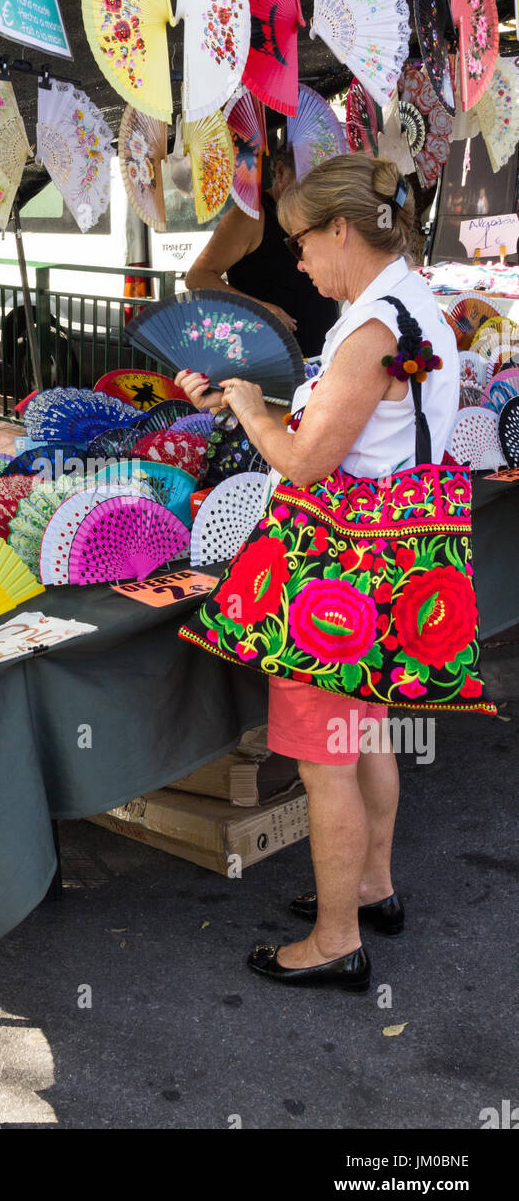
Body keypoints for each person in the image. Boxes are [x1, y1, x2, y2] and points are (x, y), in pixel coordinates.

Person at [176, 153, 459, 992]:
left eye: (300, 242)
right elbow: (346, 416)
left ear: (341, 229)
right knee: (365, 733)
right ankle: (371, 887)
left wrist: (251, 411)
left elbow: (304, 463)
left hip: (338, 573)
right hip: (397, 557)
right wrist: (245, 398)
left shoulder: (371, 333)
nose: (297, 262)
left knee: (324, 761)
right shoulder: (413, 308)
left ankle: (336, 941)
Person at [185, 147, 338, 358]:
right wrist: (261, 309)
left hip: (320, 353)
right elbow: (197, 277)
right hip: (269, 354)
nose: (311, 190)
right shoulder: (250, 216)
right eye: (305, 178)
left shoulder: (312, 215)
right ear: (280, 171)